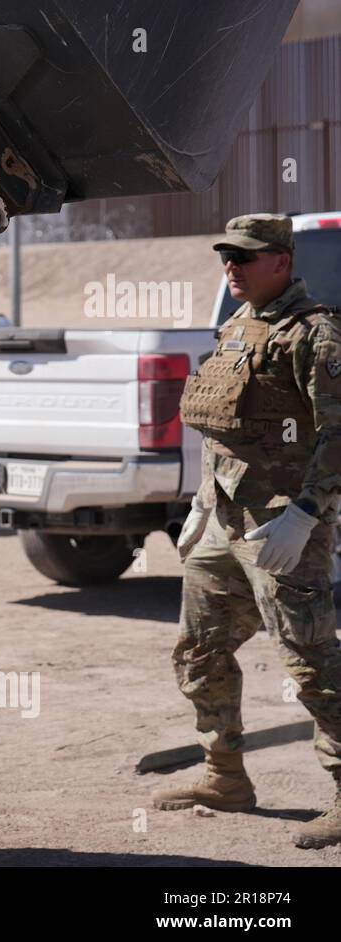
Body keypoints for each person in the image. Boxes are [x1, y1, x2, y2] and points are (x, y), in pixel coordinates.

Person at [155, 213, 341, 848]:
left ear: (281, 262)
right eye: (226, 257)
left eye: (245, 257)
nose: (231, 267)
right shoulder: (237, 326)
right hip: (225, 519)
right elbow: (221, 427)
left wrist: (308, 512)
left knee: (312, 663)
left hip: (283, 525)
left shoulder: (316, 334)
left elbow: (337, 434)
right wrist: (203, 506)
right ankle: (224, 776)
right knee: (199, 652)